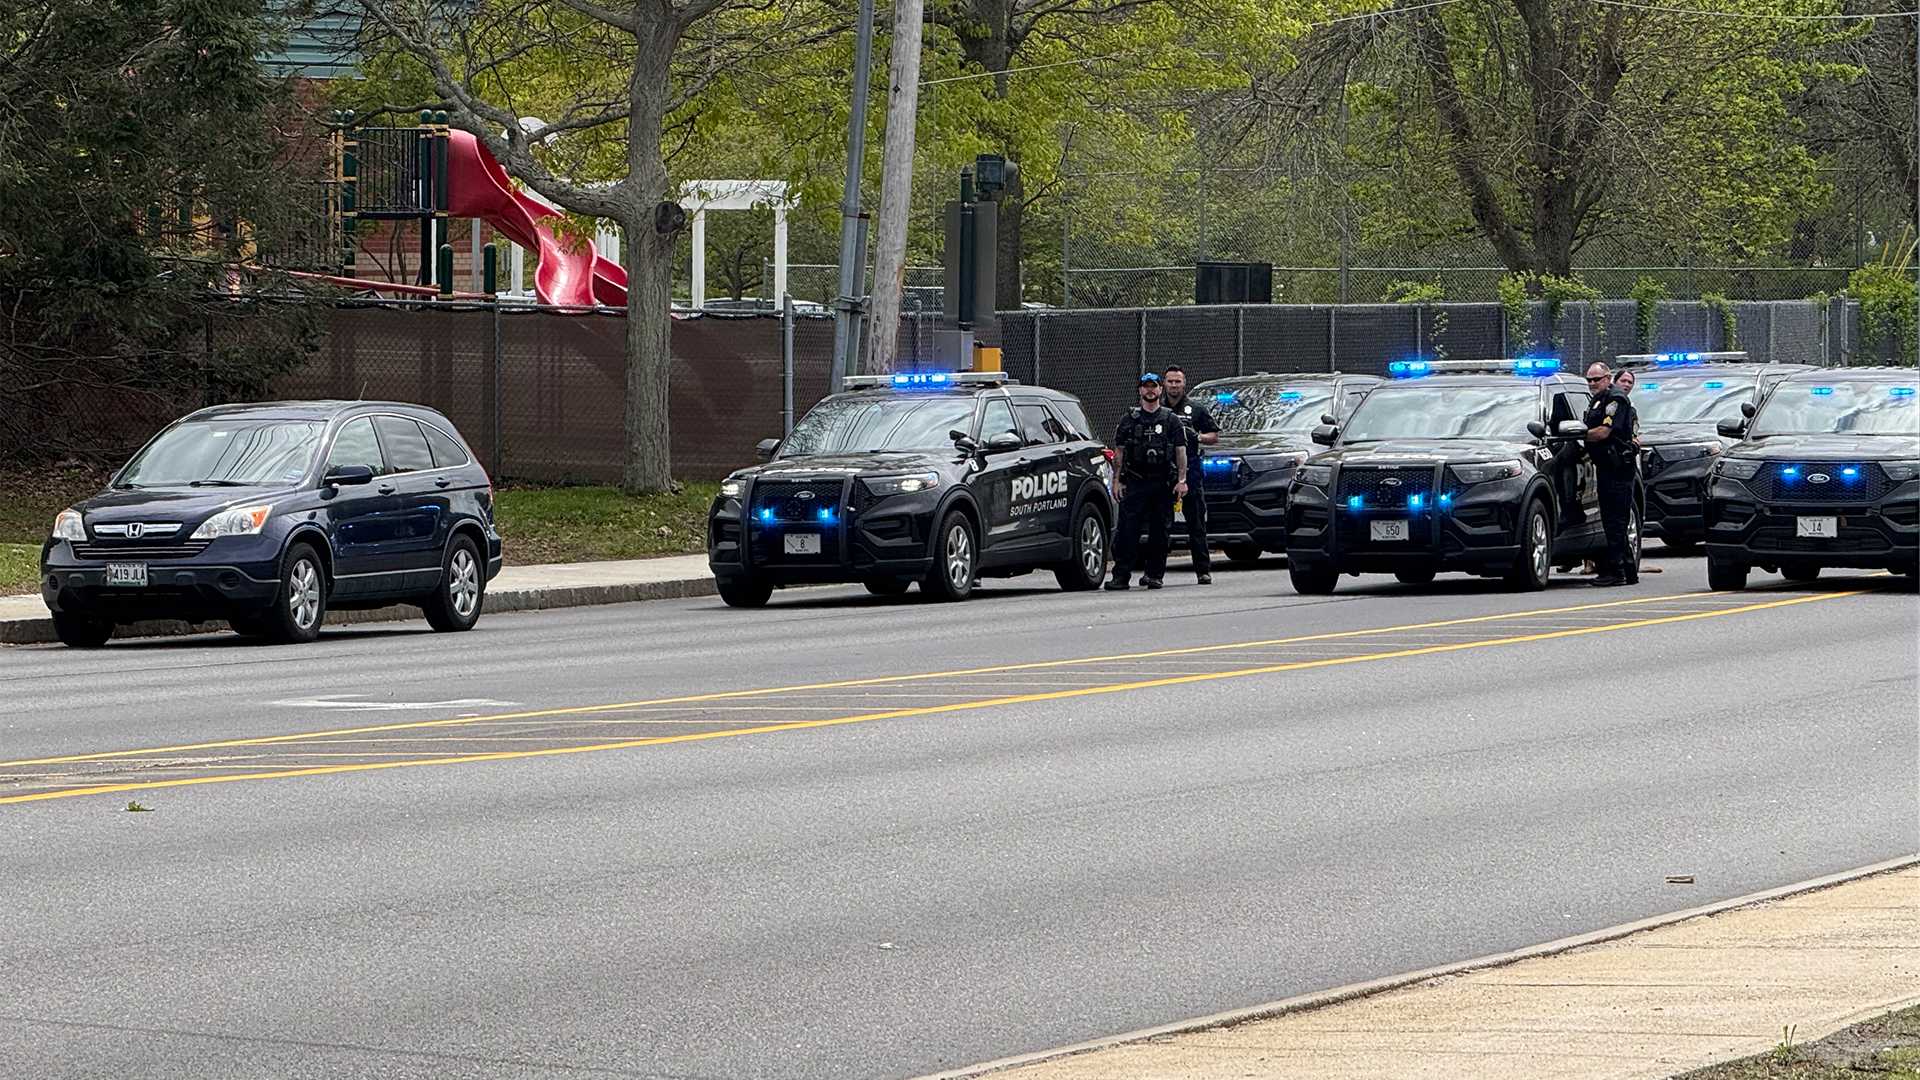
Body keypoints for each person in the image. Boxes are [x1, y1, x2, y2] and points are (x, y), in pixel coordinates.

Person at [1106, 373, 1188, 591]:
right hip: (1135, 482)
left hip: (1162, 483)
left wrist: (1182, 480)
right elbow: (1120, 452)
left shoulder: (1171, 420)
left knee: (1160, 532)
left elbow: (1181, 452)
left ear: (1160, 390)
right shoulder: (1129, 420)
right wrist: (1116, 481)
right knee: (1127, 531)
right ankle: (1121, 577)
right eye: (1146, 386)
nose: (1150, 390)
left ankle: (1154, 575)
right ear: (1140, 390)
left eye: (1154, 386)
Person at [1161, 365, 1219, 585]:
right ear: (1164, 384)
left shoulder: (1196, 410)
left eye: (1177, 381)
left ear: (1184, 384)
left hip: (1191, 473)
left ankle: (1203, 571)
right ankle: (1154, 573)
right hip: (1164, 473)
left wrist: (1198, 437)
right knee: (1161, 524)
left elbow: (1214, 436)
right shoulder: (1158, 409)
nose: (1174, 385)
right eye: (1170, 381)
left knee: (1196, 524)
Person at [1583, 362, 1639, 587]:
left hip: (1617, 469)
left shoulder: (1616, 400)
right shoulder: (1599, 399)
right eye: (1589, 380)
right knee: (1612, 520)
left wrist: (1580, 435)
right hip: (1606, 467)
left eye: (1596, 379)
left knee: (1616, 521)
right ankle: (1625, 571)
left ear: (1608, 379)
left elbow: (1603, 432)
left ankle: (1618, 572)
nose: (1592, 384)